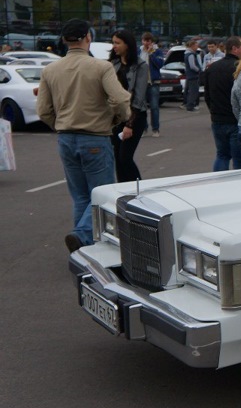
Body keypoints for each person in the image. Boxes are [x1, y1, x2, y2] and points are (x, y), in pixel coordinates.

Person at [35, 19, 131, 252]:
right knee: (102, 194)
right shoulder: (100, 67)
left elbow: (43, 110)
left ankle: (82, 245)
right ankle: (83, 234)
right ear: (88, 37)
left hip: (66, 137)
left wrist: (60, 125)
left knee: (80, 196)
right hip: (95, 136)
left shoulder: (50, 70)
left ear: (64, 41)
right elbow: (120, 99)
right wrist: (117, 119)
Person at [109, 29, 150, 182]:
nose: (114, 46)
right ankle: (123, 191)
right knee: (118, 160)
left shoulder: (141, 66)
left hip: (135, 117)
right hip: (116, 117)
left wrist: (130, 124)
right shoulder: (112, 64)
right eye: (113, 42)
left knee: (125, 158)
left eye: (117, 43)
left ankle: (139, 189)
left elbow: (138, 98)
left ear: (128, 44)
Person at [202, 36, 241, 171]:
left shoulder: (212, 68)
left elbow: (207, 94)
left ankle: (218, 184)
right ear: (234, 48)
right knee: (238, 158)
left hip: (217, 118)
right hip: (235, 119)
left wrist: (213, 111)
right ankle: (238, 187)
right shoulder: (239, 68)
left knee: (222, 155)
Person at [139, 32, 164, 137]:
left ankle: (155, 129)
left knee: (154, 106)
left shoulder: (157, 51)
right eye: (144, 40)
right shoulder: (139, 51)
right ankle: (143, 128)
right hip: (141, 83)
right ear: (142, 41)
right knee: (142, 107)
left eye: (148, 41)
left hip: (153, 82)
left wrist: (151, 54)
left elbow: (159, 65)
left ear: (152, 42)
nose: (146, 43)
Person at [181, 37, 202, 111]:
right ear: (192, 46)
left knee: (190, 91)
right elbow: (192, 66)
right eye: (196, 46)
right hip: (193, 75)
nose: (197, 47)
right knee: (193, 92)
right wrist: (199, 70)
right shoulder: (191, 55)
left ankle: (188, 105)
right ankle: (190, 106)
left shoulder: (187, 54)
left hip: (189, 75)